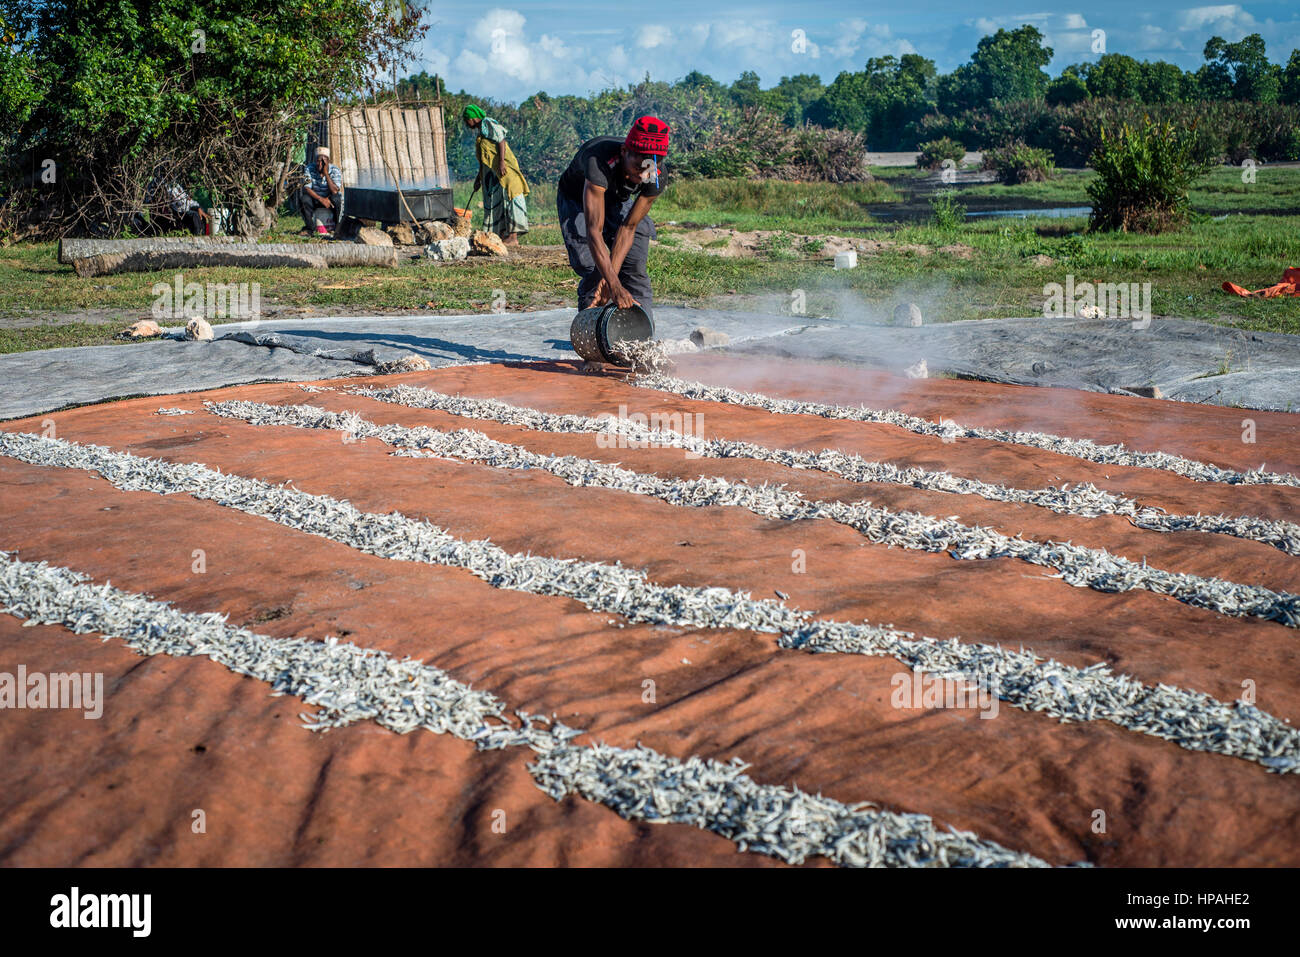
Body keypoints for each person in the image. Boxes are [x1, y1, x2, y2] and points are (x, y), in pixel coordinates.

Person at [556, 116, 670, 319]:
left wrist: (613, 281)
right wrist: (611, 282)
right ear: (624, 152)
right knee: (594, 268)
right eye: (638, 167)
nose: (644, 175)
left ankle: (639, 337)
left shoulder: (656, 173)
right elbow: (594, 231)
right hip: (578, 200)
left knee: (633, 266)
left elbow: (628, 228)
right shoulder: (598, 160)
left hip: (617, 199)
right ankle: (592, 332)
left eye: (649, 169)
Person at [463, 104, 529, 245]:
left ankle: (513, 238)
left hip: (506, 172)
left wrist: (501, 162)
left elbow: (501, 140)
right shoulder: (481, 133)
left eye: (466, 119)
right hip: (496, 177)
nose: (466, 123)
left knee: (511, 200)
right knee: (499, 204)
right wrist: (478, 179)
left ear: (473, 117)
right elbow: (484, 161)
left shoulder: (487, 123)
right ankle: (501, 235)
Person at [144, 175, 209, 235]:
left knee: (201, 212)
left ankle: (204, 234)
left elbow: (186, 200)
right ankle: (196, 236)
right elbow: (177, 203)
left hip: (181, 209)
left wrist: (197, 208)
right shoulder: (158, 183)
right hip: (171, 212)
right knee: (194, 215)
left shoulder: (175, 184)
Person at [299, 146, 343, 235]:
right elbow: (307, 188)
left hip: (329, 199)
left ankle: (337, 227)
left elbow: (335, 191)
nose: (320, 164)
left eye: (323, 162)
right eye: (318, 161)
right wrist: (320, 199)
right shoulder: (309, 168)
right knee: (304, 199)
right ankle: (310, 228)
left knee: (337, 198)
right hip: (316, 198)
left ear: (328, 162)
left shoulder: (335, 170)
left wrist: (326, 173)